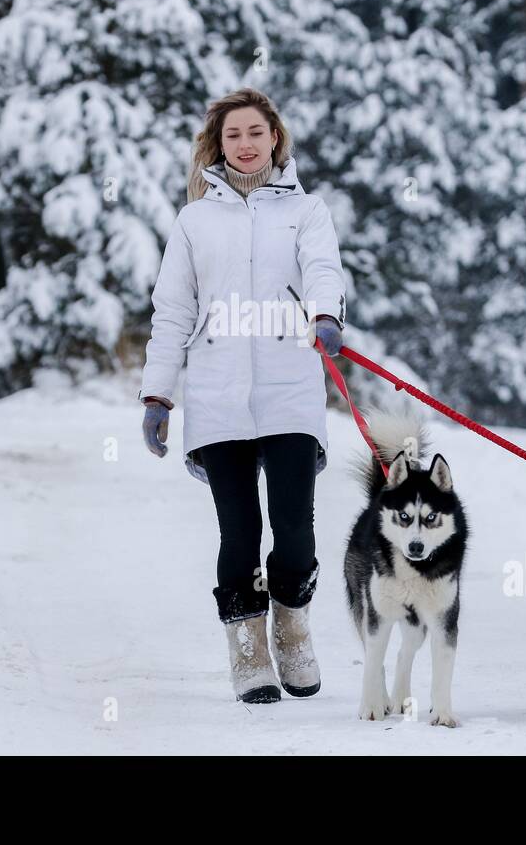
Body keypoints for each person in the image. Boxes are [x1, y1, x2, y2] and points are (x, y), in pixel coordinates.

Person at [138, 87, 347, 703]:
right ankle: (247, 648)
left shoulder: (308, 211)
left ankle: (291, 622)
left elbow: (323, 269)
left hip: (289, 387)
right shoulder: (194, 220)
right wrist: (157, 395)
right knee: (239, 530)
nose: (246, 144)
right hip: (218, 392)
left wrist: (325, 314)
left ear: (275, 138)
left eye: (256, 132)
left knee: (294, 527)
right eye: (233, 135)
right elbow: (173, 309)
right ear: (218, 144)